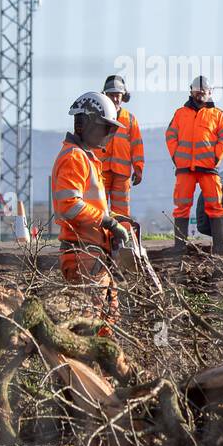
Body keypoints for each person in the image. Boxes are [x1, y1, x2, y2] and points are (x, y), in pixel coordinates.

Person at [51, 92, 133, 332]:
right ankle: (83, 370)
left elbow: (90, 204)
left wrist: (114, 224)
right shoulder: (74, 157)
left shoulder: (87, 158)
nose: (108, 134)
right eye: (105, 128)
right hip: (83, 256)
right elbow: (69, 205)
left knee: (106, 326)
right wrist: (107, 221)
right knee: (88, 329)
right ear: (85, 124)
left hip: (95, 255)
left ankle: (102, 371)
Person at [167, 76, 223, 253]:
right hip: (185, 168)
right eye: (197, 90)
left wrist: (215, 158)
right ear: (191, 91)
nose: (201, 93)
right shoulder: (180, 113)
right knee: (181, 208)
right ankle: (179, 247)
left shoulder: (218, 115)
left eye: (204, 91)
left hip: (208, 169)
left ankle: (219, 248)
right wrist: (177, 157)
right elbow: (170, 135)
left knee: (215, 207)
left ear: (210, 92)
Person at [96, 75, 145, 217]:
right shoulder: (96, 117)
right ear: (105, 95)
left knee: (121, 212)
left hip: (122, 174)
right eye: (112, 95)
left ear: (123, 96)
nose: (115, 99)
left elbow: (137, 146)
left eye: (118, 95)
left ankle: (121, 238)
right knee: (99, 208)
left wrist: (139, 168)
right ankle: (100, 239)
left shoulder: (130, 119)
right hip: (100, 172)